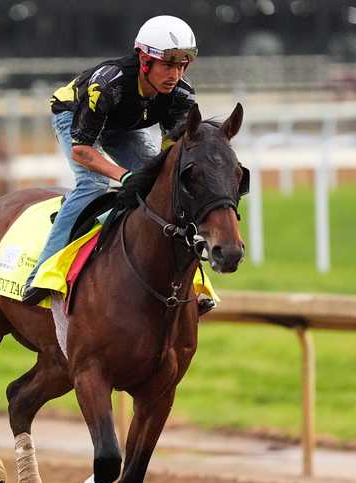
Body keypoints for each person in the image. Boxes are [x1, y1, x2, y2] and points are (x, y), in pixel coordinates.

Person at [22, 15, 213, 315]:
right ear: (144, 61)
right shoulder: (106, 85)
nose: (174, 74)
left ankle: (196, 282)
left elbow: (170, 157)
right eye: (167, 64)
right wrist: (124, 176)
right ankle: (42, 273)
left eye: (182, 65)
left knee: (165, 184)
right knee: (94, 183)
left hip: (123, 125)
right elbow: (82, 152)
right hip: (73, 114)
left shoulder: (182, 95)